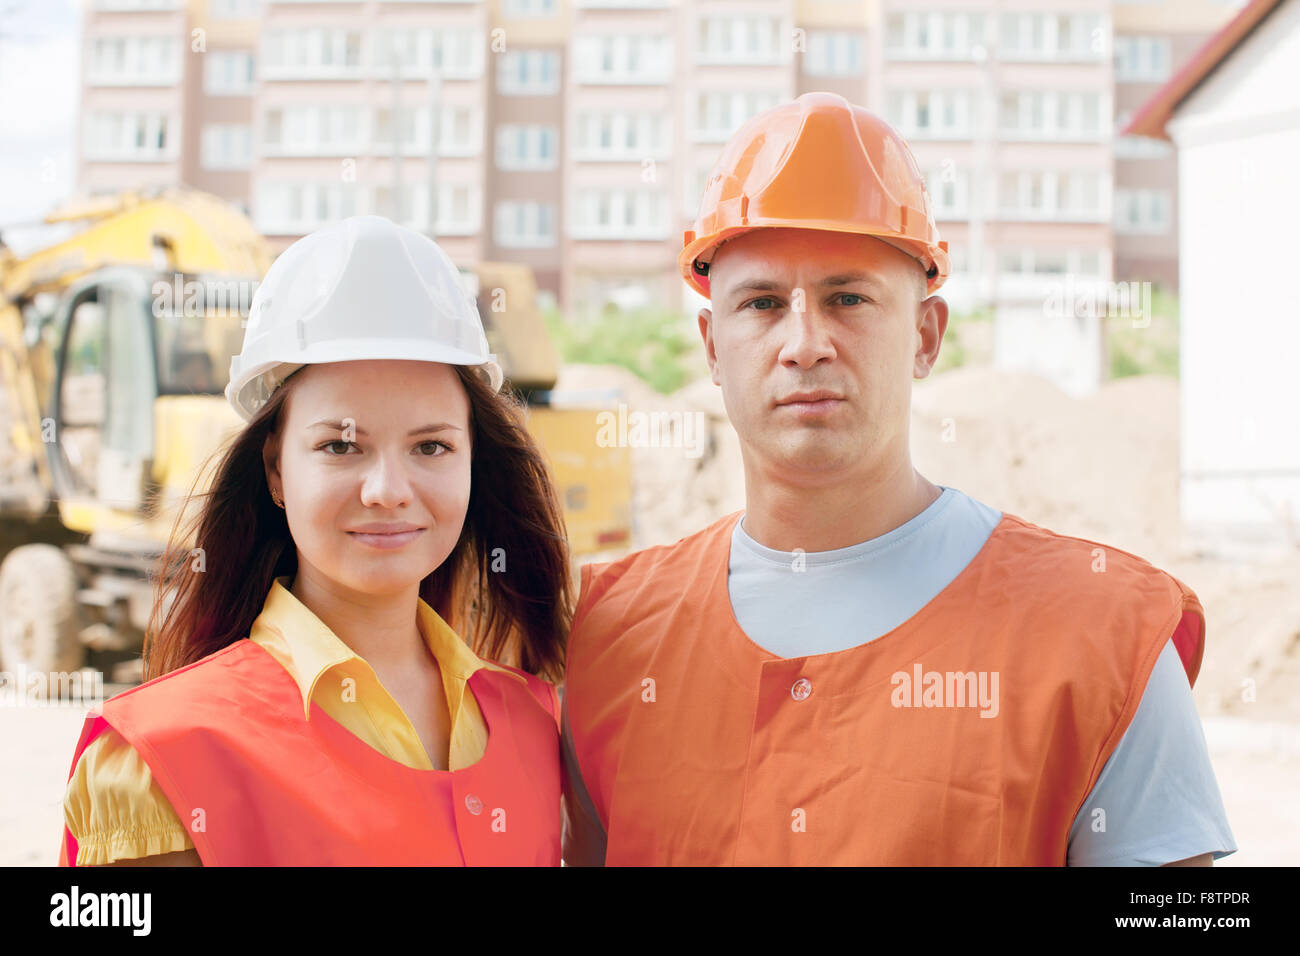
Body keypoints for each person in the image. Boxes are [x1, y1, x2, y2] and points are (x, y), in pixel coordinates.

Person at [560, 92, 1237, 866]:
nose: (805, 343)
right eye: (763, 303)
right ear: (712, 346)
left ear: (925, 334)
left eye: (848, 297)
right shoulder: (613, 635)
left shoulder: (1103, 636)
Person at [58, 215, 572, 866]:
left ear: (474, 462)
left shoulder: (532, 723)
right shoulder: (166, 753)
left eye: (432, 446)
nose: (388, 489)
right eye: (340, 445)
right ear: (276, 469)